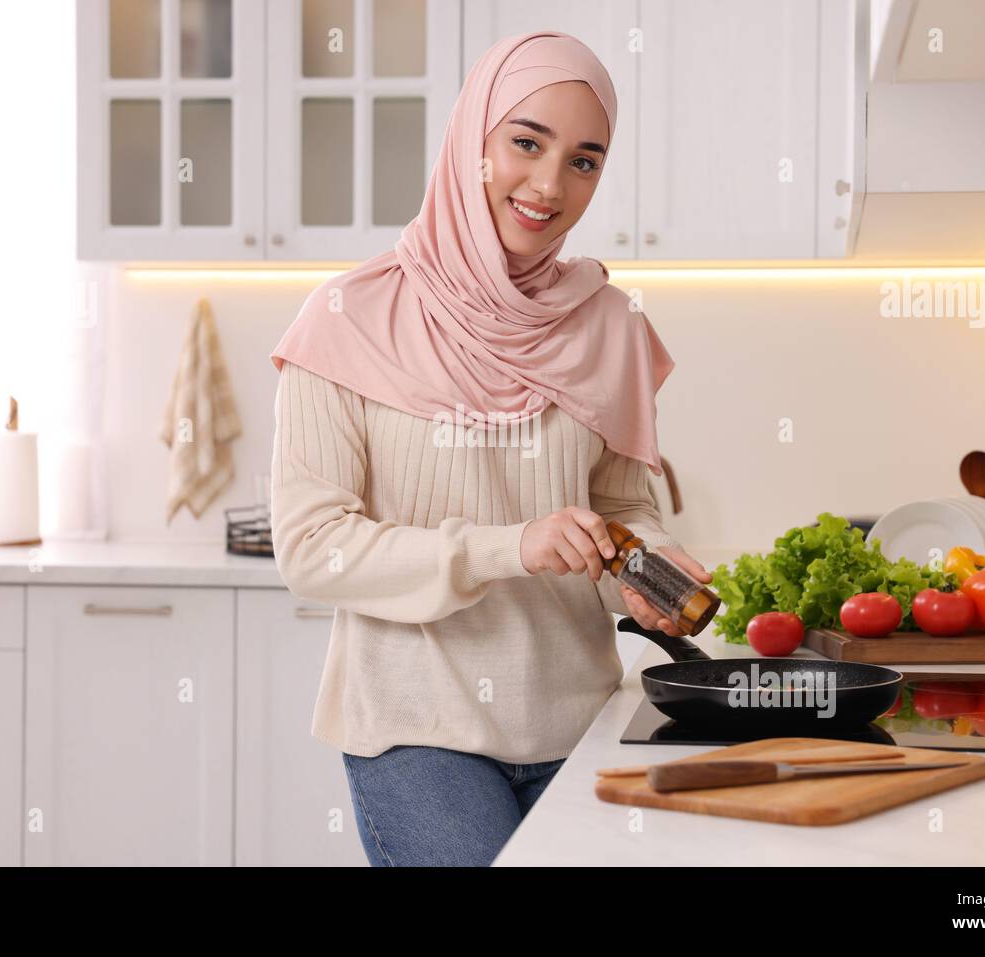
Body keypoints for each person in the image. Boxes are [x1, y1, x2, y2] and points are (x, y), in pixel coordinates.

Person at [269, 31, 710, 867]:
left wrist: (645, 573)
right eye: (525, 142)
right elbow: (313, 549)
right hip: (415, 725)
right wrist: (512, 546)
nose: (549, 185)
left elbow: (620, 510)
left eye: (584, 160)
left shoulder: (609, 324)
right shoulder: (346, 319)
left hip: (579, 715)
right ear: (473, 142)